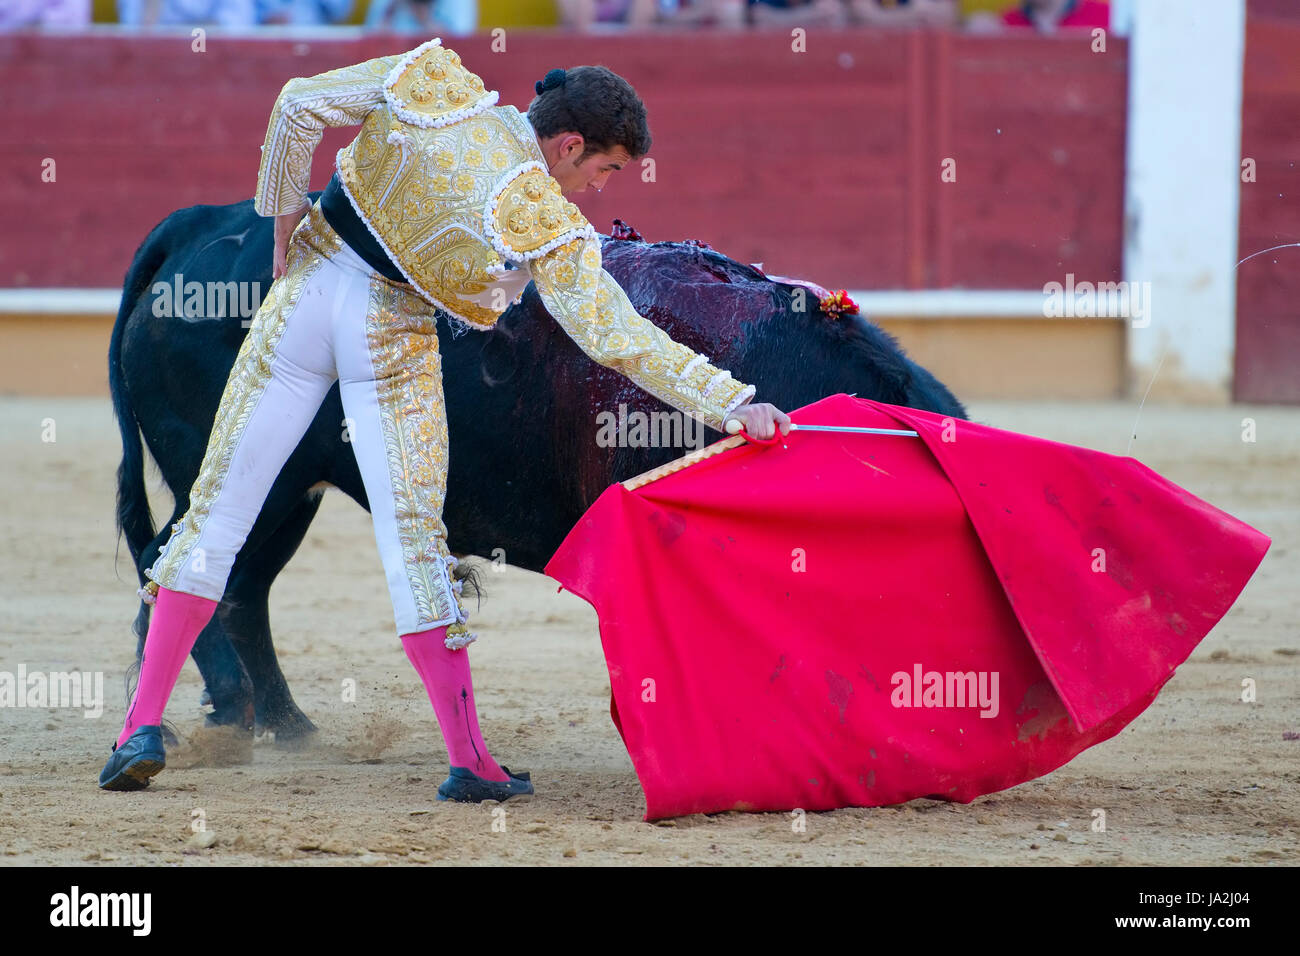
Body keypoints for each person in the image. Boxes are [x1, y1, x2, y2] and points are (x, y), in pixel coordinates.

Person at [99, 38, 791, 802]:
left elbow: (297, 103)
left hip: (302, 300)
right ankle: (469, 762)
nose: (599, 186)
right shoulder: (536, 210)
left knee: (215, 515)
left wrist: (281, 227)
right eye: (605, 168)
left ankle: (138, 728)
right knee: (416, 546)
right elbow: (615, 335)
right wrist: (728, 400)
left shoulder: (433, 80)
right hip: (387, 338)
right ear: (569, 145)